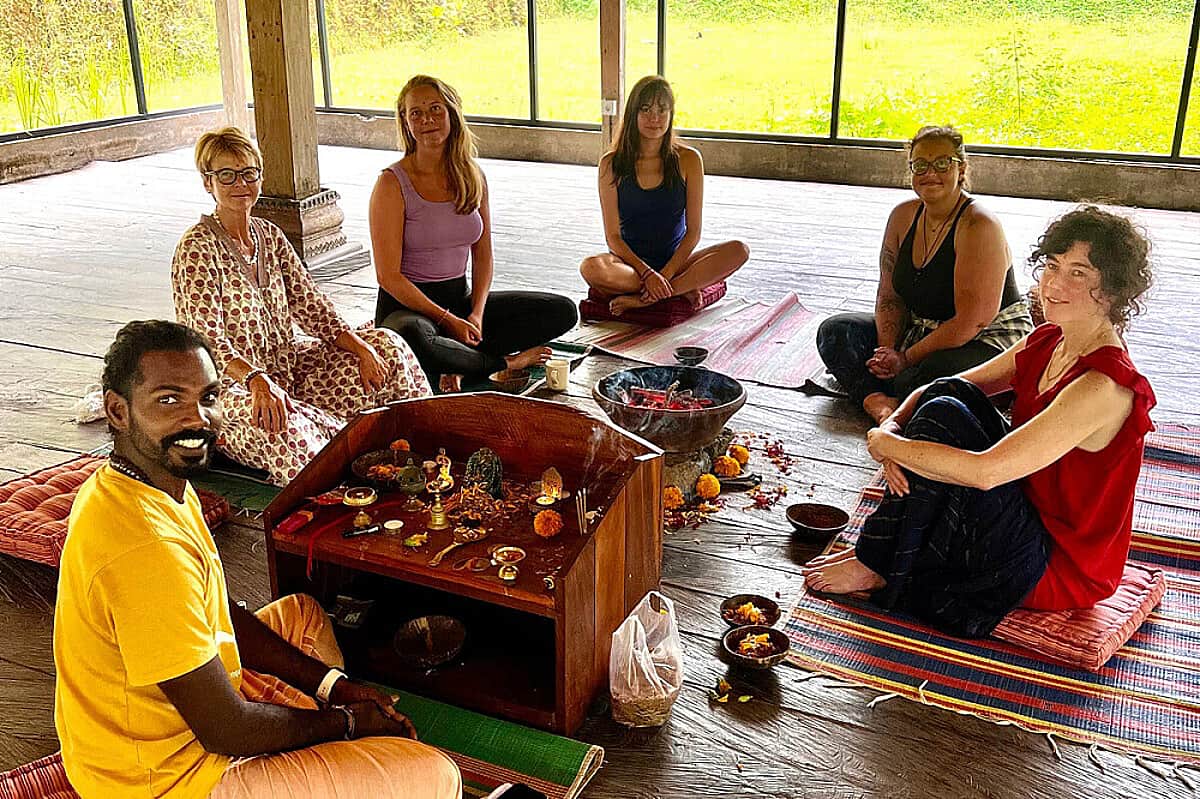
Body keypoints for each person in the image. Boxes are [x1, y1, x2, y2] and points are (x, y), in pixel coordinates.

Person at [53, 320, 461, 798]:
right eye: (169, 400)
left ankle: (308, 747)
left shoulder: (145, 483)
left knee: (303, 615)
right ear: (117, 411)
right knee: (433, 774)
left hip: (178, 718)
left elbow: (218, 612)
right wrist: (348, 723)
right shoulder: (145, 550)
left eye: (208, 397)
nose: (197, 420)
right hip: (162, 779)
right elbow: (226, 729)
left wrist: (333, 687)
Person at [803, 207, 1156, 638]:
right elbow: (942, 388)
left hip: (1054, 563)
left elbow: (985, 473)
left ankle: (877, 561)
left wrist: (888, 446)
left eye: (1078, 273)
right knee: (946, 400)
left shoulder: (1103, 385)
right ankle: (879, 557)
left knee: (946, 422)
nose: (1053, 284)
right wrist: (892, 427)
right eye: (1052, 265)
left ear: (1114, 290)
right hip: (1022, 513)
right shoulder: (1048, 339)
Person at [171, 127, 431, 486]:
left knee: (388, 346)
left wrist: (362, 348)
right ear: (207, 182)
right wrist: (256, 380)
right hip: (233, 392)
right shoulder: (196, 248)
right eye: (226, 175)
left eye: (249, 173)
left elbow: (312, 306)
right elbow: (207, 343)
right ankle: (345, 480)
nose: (240, 184)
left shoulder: (269, 236)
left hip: (290, 371)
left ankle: (425, 452)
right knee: (284, 424)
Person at [369, 75, 578, 392]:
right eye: (416, 113)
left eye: (436, 109)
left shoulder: (472, 175)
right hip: (406, 311)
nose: (427, 120)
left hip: (459, 300)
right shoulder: (391, 183)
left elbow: (483, 255)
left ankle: (459, 362)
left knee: (561, 311)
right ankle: (503, 364)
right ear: (405, 122)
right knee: (415, 337)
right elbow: (388, 277)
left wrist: (476, 314)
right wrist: (448, 321)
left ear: (452, 113)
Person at [816, 125, 1033, 423]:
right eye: (920, 165)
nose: (930, 173)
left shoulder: (979, 225)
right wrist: (886, 352)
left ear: (961, 168)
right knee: (835, 332)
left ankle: (902, 395)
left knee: (930, 377)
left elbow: (972, 321)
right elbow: (889, 295)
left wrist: (905, 359)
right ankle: (878, 402)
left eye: (942, 163)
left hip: (984, 338)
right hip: (922, 331)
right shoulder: (902, 216)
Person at [579, 75, 748, 316]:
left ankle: (647, 299)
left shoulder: (689, 159)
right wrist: (648, 274)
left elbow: (693, 232)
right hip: (630, 267)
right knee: (591, 268)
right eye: (646, 109)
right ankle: (678, 289)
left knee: (739, 250)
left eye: (662, 110)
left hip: (677, 264)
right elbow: (613, 237)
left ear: (671, 114)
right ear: (633, 114)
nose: (654, 118)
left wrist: (665, 276)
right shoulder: (611, 164)